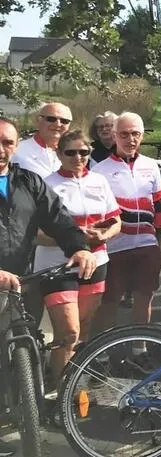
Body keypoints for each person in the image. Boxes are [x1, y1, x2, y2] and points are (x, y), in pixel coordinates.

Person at [0, 118, 97, 457]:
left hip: (18, 284)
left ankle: (20, 410)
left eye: (7, 142)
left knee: (19, 351)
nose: (1, 149)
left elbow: (59, 218)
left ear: (16, 145)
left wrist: (79, 247)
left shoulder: (27, 182)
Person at [33, 130, 121, 389]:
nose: (78, 157)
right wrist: (74, 239)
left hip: (96, 262)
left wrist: (104, 233)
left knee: (83, 328)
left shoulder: (99, 181)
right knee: (68, 331)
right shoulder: (45, 184)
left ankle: (71, 383)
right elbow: (34, 234)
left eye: (84, 152)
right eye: (70, 152)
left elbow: (116, 220)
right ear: (59, 154)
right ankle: (61, 390)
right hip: (56, 266)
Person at [91, 113, 161, 360]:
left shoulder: (151, 166)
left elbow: (159, 207)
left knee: (144, 298)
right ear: (114, 136)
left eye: (135, 134)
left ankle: (140, 350)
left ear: (142, 135)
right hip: (115, 246)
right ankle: (102, 356)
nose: (130, 139)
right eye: (124, 134)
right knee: (110, 301)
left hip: (146, 243)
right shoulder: (99, 169)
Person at [13, 102, 71, 178]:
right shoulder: (16, 150)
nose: (58, 124)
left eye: (64, 121)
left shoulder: (76, 153)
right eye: (51, 119)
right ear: (38, 120)